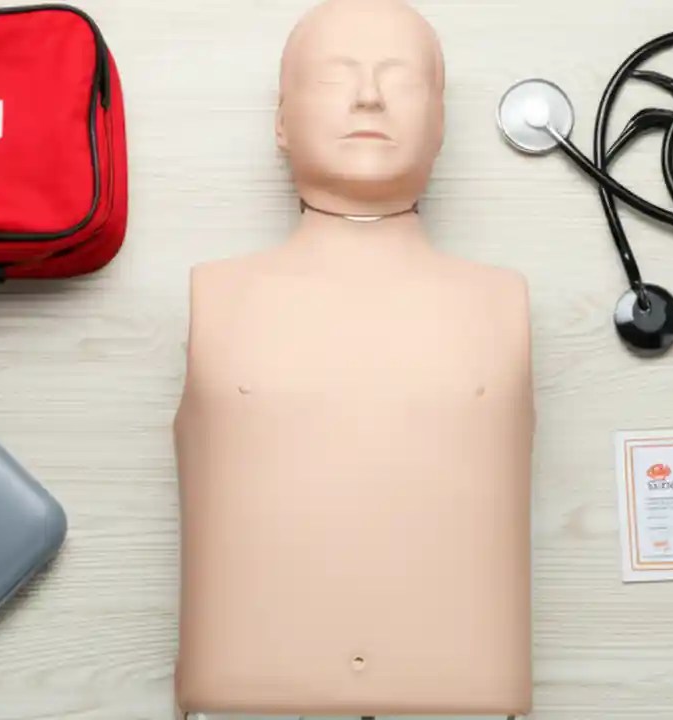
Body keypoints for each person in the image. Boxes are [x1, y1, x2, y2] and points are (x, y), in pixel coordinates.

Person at [173, 1, 534, 716]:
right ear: (280, 122)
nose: (368, 95)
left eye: (400, 80)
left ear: (441, 123)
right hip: (241, 699)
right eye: (336, 76)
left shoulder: (503, 300)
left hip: (470, 696)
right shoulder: (216, 292)